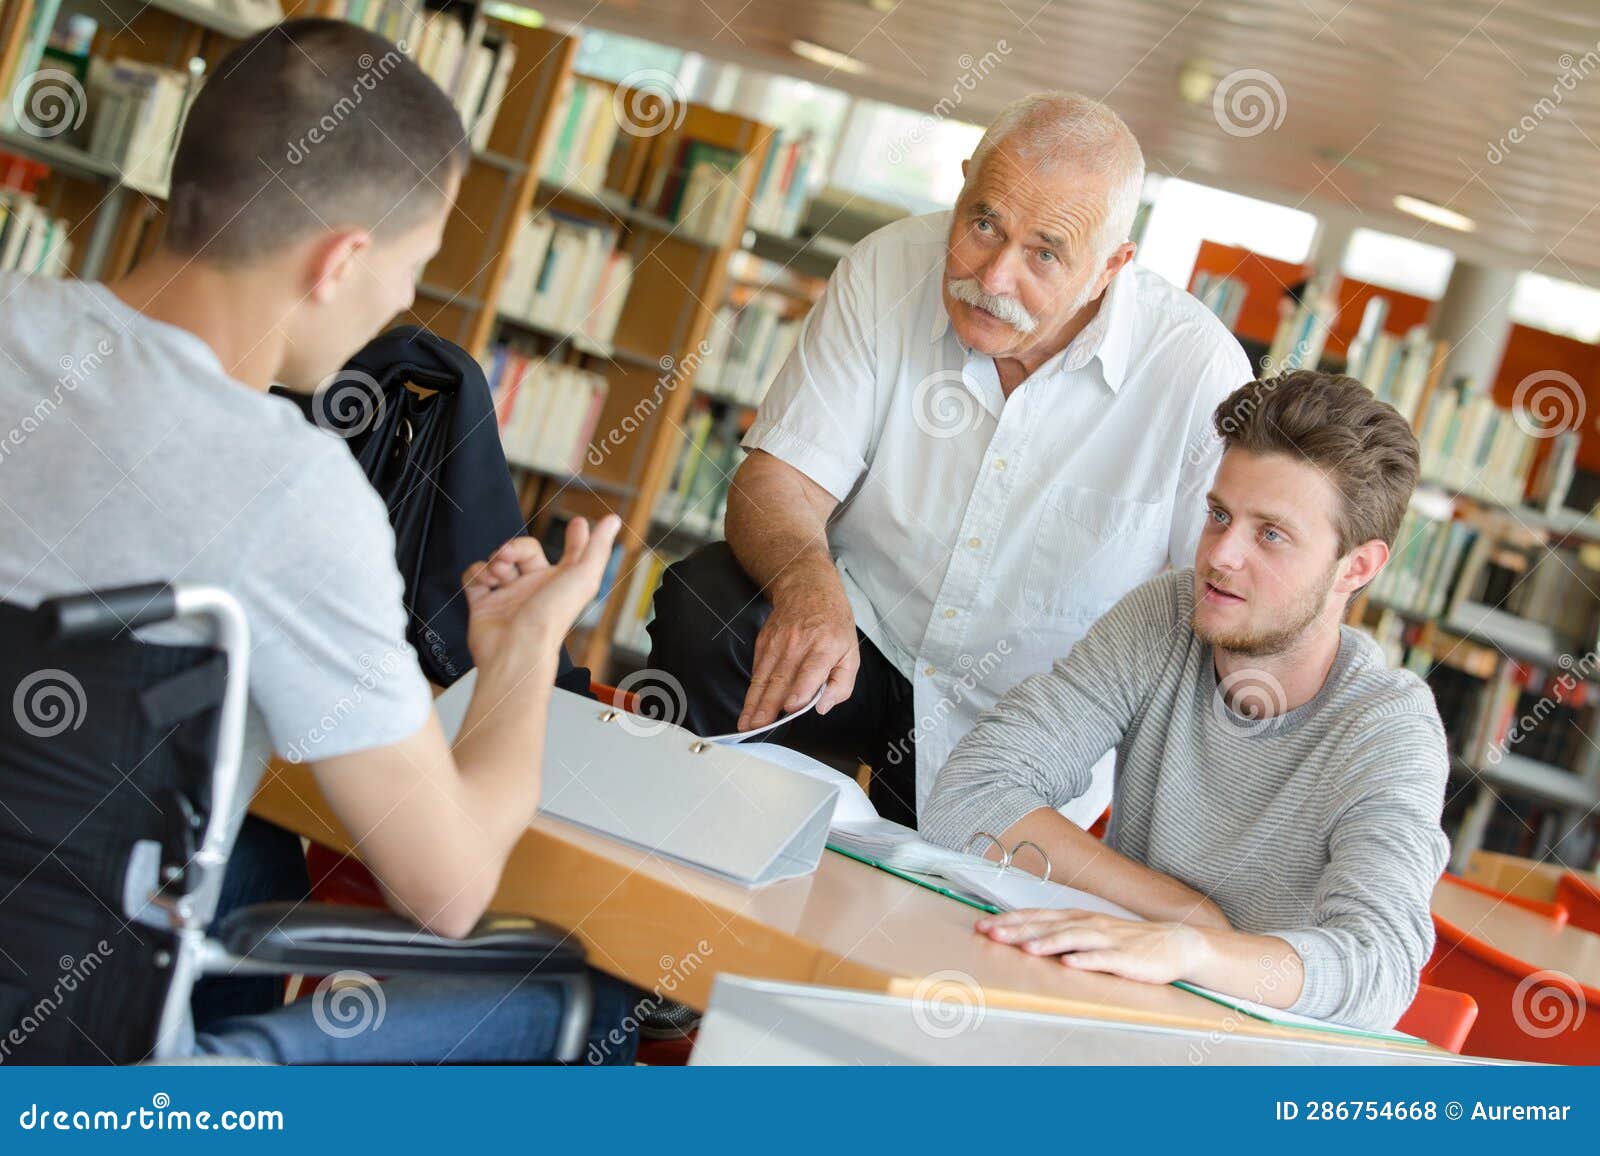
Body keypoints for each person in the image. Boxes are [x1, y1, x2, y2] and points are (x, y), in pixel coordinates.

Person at [0, 19, 636, 1063]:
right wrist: (519, 657)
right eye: (413, 265)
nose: (405, 302)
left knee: (248, 862)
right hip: (81, 1084)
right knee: (572, 991)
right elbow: (450, 884)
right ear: (341, 259)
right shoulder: (289, 492)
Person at [647, 91, 1251, 829]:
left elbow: (1218, 610)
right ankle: (696, 844)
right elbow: (777, 478)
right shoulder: (884, 268)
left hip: (1024, 724)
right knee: (706, 603)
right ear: (962, 182)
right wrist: (808, 588)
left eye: (1045, 253)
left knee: (915, 917)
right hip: (859, 634)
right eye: (984, 223)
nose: (993, 277)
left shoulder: (1197, 375)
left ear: (1111, 266)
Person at [922, 370, 1450, 1030]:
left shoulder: (1389, 728)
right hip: (1105, 1021)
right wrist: (1184, 913)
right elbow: (968, 795)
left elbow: (1378, 968)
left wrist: (1192, 951)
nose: (1220, 556)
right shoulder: (1170, 615)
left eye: (1271, 535)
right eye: (1220, 515)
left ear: (1358, 567)